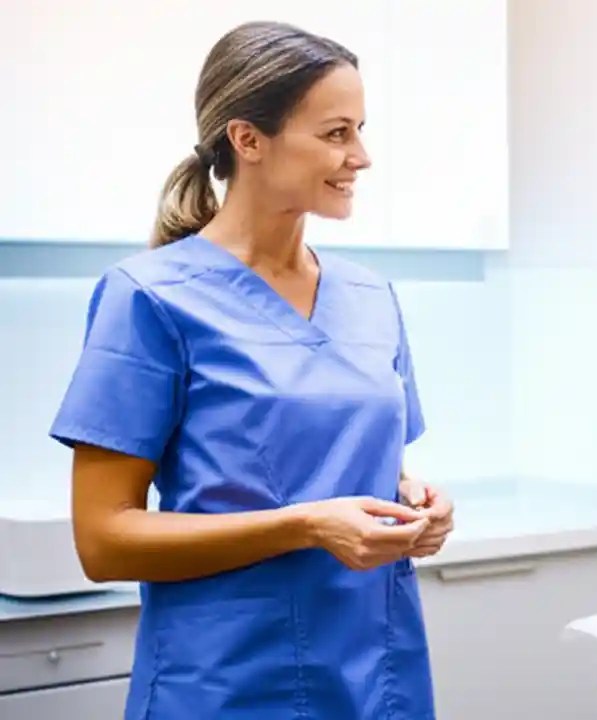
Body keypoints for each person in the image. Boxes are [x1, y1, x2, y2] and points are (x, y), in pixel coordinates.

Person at [49, 21, 452, 719]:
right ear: (248, 139)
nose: (361, 156)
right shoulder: (150, 298)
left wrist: (414, 501)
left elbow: (353, 463)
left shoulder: (369, 296)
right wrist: (305, 526)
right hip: (229, 684)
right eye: (335, 133)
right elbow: (103, 539)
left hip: (378, 676)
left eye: (360, 129)